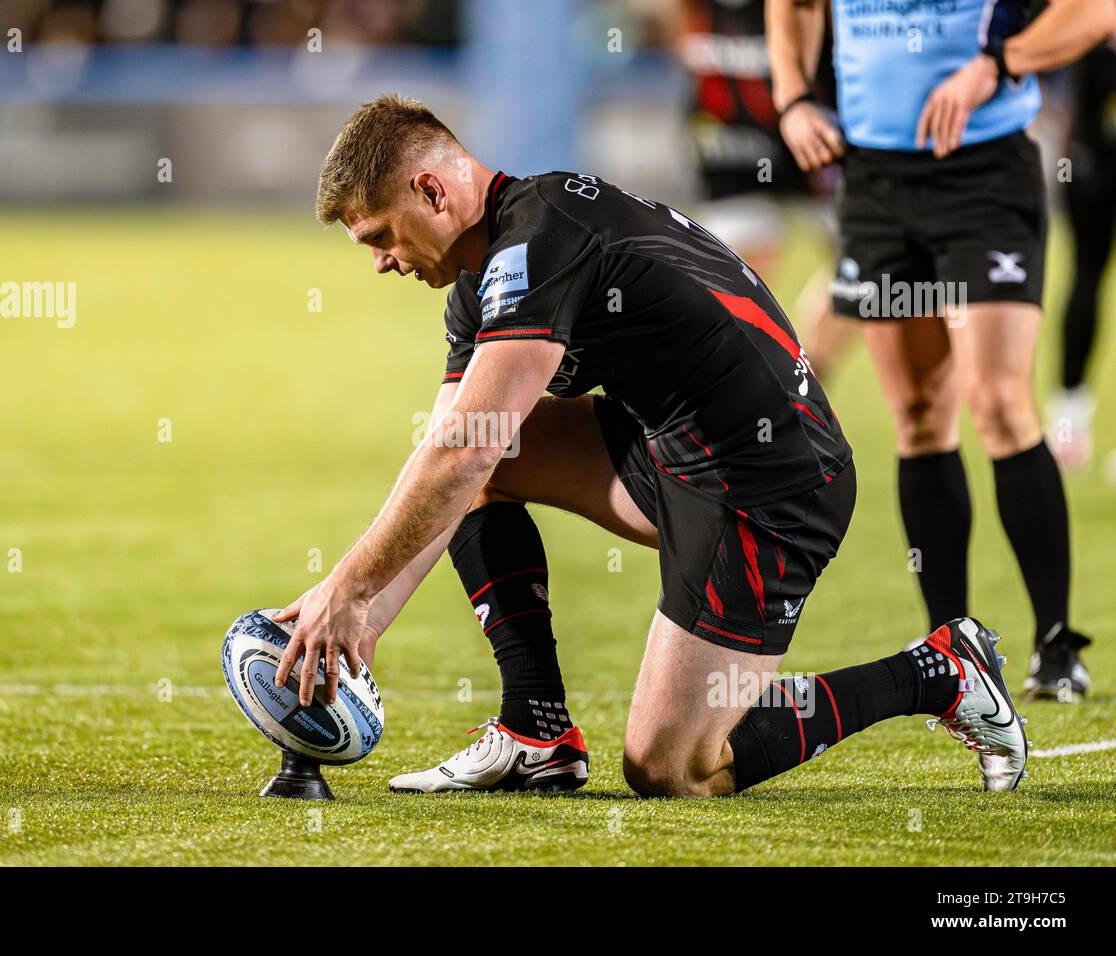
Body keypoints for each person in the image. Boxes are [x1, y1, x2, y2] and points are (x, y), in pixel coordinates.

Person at [267, 94, 1028, 797]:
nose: (382, 262)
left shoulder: (542, 241)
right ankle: (534, 730)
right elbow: (455, 453)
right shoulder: (487, 270)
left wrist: (352, 588)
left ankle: (939, 672)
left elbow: (464, 452)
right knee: (479, 461)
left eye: (379, 236)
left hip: (773, 485)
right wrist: (358, 617)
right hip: (676, 452)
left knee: (674, 767)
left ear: (433, 192)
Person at [768, 0, 1116, 700]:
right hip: (876, 182)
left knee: (997, 399)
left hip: (984, 179)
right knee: (921, 415)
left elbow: (1094, 11)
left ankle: (1055, 645)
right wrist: (794, 97)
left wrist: (997, 63)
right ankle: (954, 654)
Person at [676, 0, 856, 381]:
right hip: (731, 145)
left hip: (812, 140)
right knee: (727, 283)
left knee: (862, 269)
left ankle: (805, 385)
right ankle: (735, 395)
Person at [1049, 34, 1116, 472]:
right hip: (1090, 164)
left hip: (1086, 159)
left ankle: (1069, 422)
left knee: (1085, 278)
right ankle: (1069, 420)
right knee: (1086, 279)